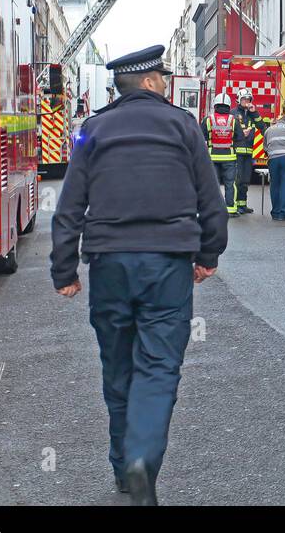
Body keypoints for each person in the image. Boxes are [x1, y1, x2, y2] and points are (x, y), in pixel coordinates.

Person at [50, 45, 228, 505]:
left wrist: (64, 269)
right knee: (159, 366)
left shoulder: (91, 131)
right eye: (162, 78)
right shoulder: (183, 126)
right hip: (167, 264)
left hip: (109, 264)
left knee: (117, 367)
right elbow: (211, 199)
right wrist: (208, 253)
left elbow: (70, 204)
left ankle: (123, 469)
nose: (165, 83)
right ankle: (141, 460)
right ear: (149, 82)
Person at [203, 92, 242, 217]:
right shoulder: (233, 120)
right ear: (229, 106)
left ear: (215, 105)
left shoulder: (208, 119)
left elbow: (200, 136)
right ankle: (230, 209)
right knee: (230, 184)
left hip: (212, 157)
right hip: (229, 158)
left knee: (212, 184)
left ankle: (212, 209)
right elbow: (240, 137)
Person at [231, 91, 268, 215]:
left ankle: (243, 204)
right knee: (237, 179)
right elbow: (229, 131)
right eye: (244, 99)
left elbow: (262, 127)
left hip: (248, 152)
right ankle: (235, 205)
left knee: (246, 180)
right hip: (236, 152)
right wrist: (241, 134)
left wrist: (255, 112)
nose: (246, 102)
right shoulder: (233, 113)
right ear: (238, 100)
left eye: (248, 99)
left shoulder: (252, 114)